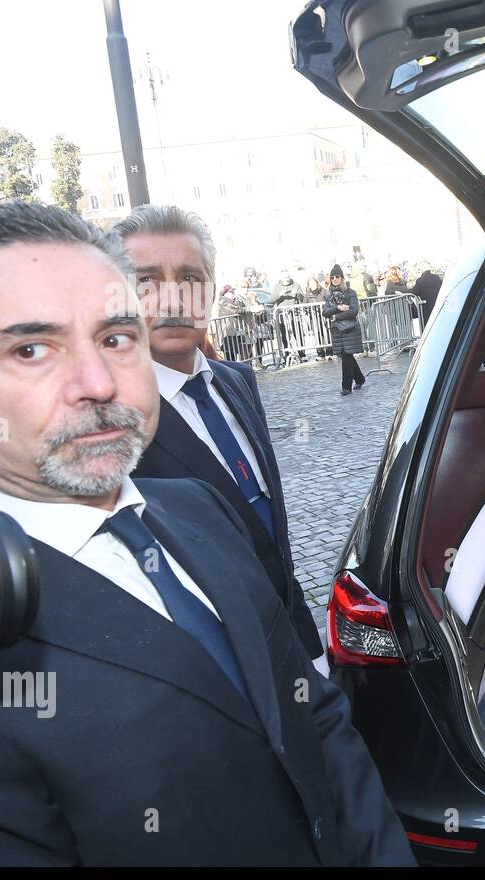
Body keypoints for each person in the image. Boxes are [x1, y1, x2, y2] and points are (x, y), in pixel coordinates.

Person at [0, 202, 413, 865]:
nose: (97, 383)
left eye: (115, 338)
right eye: (31, 349)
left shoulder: (198, 507)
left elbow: (315, 718)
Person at [114, 206, 323, 666]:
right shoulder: (108, 419)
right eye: (145, 282)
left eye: (190, 278)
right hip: (213, 671)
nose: (173, 301)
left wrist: (311, 649)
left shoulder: (236, 382)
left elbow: (270, 539)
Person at [324, 264, 366, 394]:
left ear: (342, 278)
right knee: (346, 355)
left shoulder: (350, 293)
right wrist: (338, 308)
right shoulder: (329, 295)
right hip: (337, 330)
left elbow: (354, 311)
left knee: (347, 356)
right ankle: (359, 378)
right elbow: (325, 312)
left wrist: (336, 316)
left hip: (350, 329)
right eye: (332, 277)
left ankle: (346, 387)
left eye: (337, 276)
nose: (335, 279)